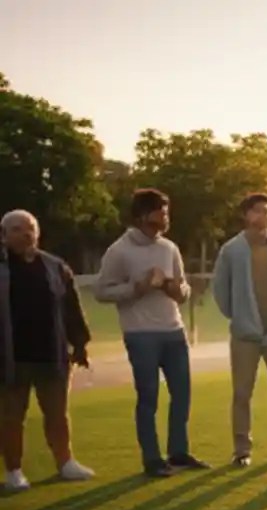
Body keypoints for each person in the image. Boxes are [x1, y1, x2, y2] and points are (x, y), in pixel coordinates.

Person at [94, 189, 208, 477]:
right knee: (149, 397)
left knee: (182, 394)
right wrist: (138, 286)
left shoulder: (169, 248)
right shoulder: (119, 250)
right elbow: (102, 291)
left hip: (173, 330)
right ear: (143, 215)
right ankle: (152, 458)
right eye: (161, 211)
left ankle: (179, 453)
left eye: (167, 211)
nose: (166, 217)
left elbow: (183, 291)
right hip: (140, 333)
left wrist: (173, 287)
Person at [0, 210, 95, 491]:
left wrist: (79, 344)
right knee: (11, 418)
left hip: (51, 355)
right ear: (4, 236)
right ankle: (14, 471)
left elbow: (72, 309)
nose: (25, 234)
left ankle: (65, 463)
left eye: (30, 228)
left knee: (57, 414)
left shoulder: (55, 267)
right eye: (17, 229)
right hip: (10, 358)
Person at [211, 193, 267, 467]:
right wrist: (239, 319)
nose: (263, 216)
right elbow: (220, 291)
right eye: (258, 211)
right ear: (246, 215)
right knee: (242, 393)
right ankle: (242, 450)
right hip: (245, 336)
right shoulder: (231, 250)